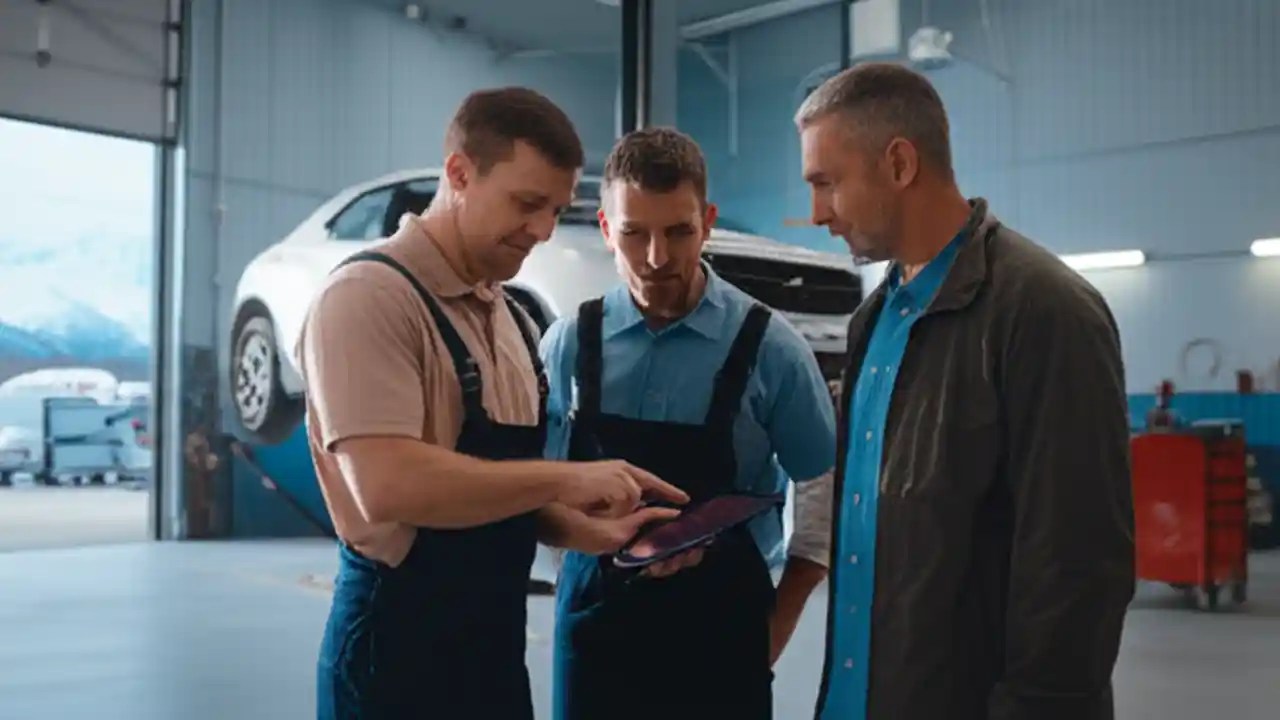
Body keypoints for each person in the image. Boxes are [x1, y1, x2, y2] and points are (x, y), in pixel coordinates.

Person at [297, 87, 688, 720]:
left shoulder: (511, 319)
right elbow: (389, 486)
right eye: (527, 203)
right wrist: (569, 477)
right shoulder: (368, 298)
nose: (542, 230)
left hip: (492, 654)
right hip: (393, 658)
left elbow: (490, 493)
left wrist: (578, 529)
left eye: (556, 210)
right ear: (459, 174)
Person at [794, 63, 1135, 720]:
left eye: (827, 183)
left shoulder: (1046, 313)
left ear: (899, 164)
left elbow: (1079, 567)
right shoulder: (874, 321)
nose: (815, 214)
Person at [538, 127, 837, 720]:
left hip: (724, 635)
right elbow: (535, 480)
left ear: (708, 222)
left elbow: (823, 483)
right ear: (605, 229)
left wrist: (778, 621)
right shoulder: (570, 342)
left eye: (678, 231)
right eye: (633, 233)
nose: (656, 257)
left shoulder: (770, 348)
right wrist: (569, 545)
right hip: (595, 631)